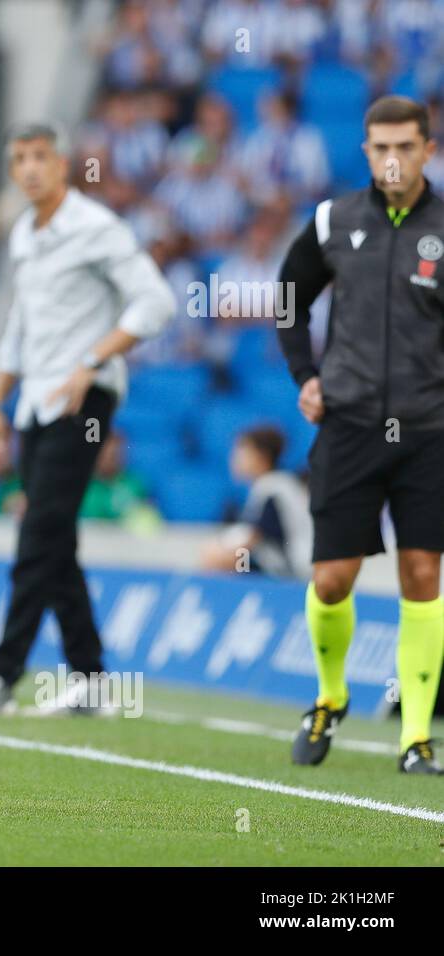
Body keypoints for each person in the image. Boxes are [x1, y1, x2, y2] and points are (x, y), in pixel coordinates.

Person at [0, 122, 174, 717]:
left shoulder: (96, 227)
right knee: (54, 536)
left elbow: (157, 302)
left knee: (39, 529)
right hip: (36, 400)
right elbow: (20, 325)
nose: (31, 168)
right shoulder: (24, 235)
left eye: (41, 156)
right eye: (20, 159)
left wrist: (91, 362)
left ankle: (1, 674)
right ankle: (91, 679)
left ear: (64, 164)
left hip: (82, 401)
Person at [277, 95, 444, 774]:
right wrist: (303, 375)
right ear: (366, 151)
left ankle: (415, 737)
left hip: (431, 429)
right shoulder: (331, 221)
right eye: (380, 147)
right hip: (347, 424)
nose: (392, 159)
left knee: (423, 573)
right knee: (333, 579)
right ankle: (331, 694)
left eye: (405, 146)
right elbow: (289, 293)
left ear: (428, 149)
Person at [200, 426, 312, 579]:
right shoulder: (268, 485)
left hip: (292, 570)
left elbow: (254, 537)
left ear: (261, 456)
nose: (234, 460)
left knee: (222, 558)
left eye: (242, 453)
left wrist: (230, 558)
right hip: (280, 563)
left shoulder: (275, 488)